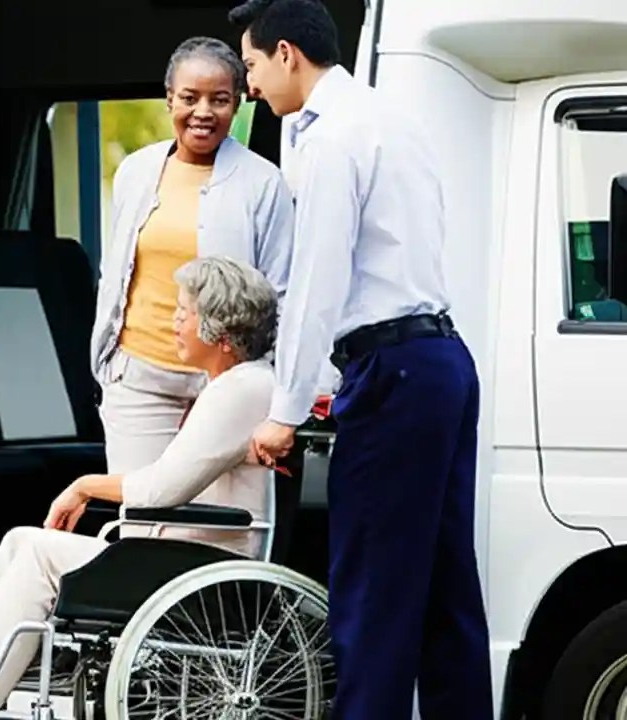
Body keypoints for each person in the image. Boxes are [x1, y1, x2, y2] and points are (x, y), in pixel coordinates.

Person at [0, 255, 281, 720]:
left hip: (203, 572)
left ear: (220, 329)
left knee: (35, 551)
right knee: (21, 540)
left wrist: (84, 486)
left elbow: (159, 490)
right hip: (187, 559)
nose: (173, 320)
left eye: (184, 312)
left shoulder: (240, 390)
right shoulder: (235, 385)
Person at [231, 1, 494, 718]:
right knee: (446, 589)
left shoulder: (329, 136)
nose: (250, 86)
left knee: (372, 591)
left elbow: (320, 280)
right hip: (440, 361)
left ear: (286, 53)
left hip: (393, 370)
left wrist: (285, 413)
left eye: (251, 66)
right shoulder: (391, 119)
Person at [90, 35, 293, 476]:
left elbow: (280, 293)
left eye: (219, 100)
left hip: (225, 386)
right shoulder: (135, 171)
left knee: (214, 529)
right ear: (169, 101)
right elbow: (116, 272)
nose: (203, 112)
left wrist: (271, 395)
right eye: (189, 98)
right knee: (143, 522)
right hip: (138, 379)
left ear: (237, 104)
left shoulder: (264, 183)